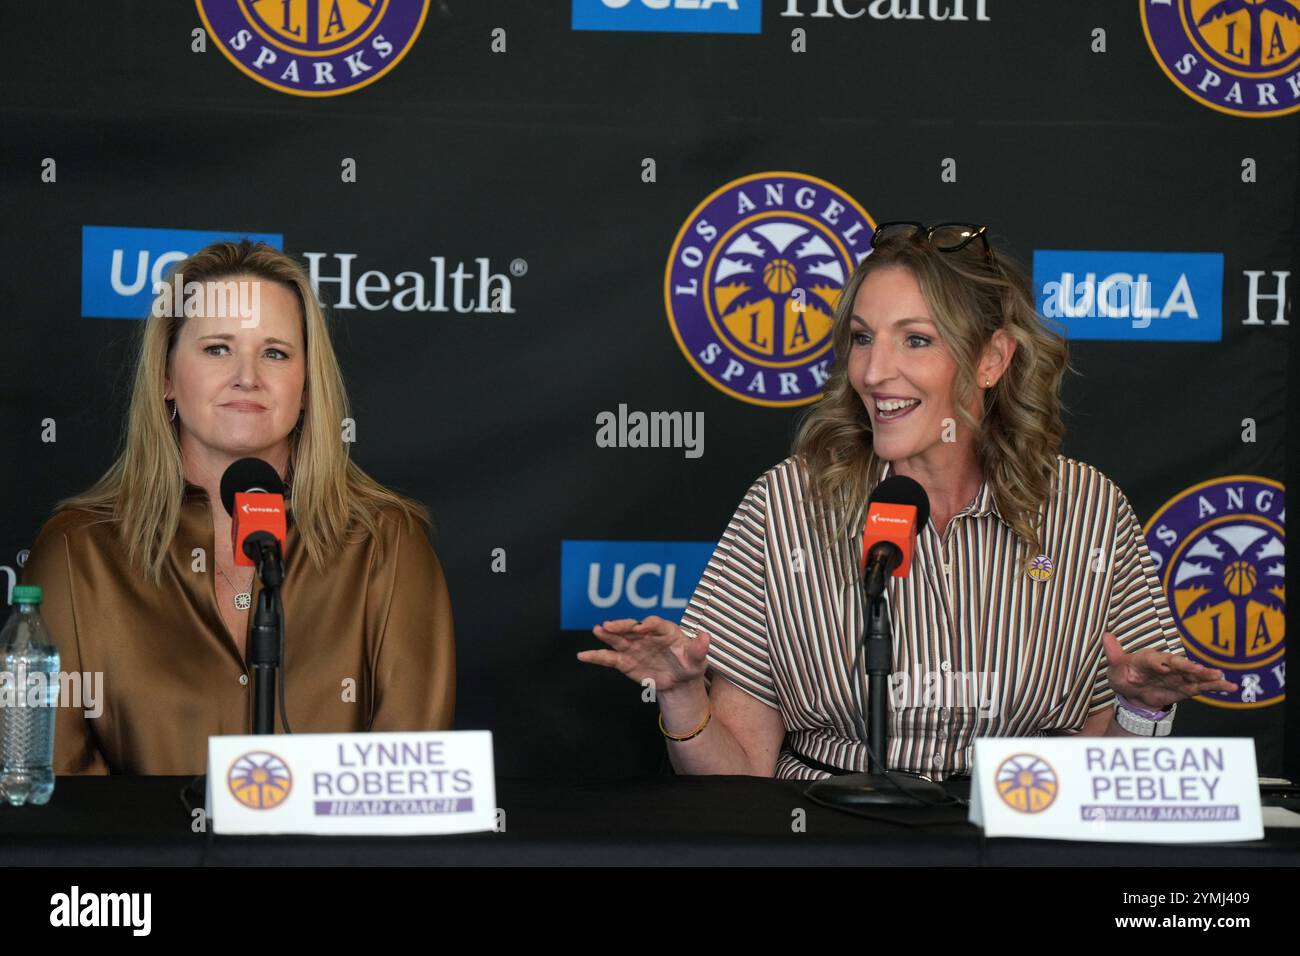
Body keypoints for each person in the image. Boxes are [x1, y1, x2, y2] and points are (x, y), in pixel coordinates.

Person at [578, 222, 1236, 780]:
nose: (872, 372)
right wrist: (684, 696)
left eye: (915, 340)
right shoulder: (786, 504)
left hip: (1018, 840)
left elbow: (1104, 782)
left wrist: (1141, 711)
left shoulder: (1089, 508)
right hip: (833, 841)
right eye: (863, 338)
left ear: (991, 360)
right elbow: (742, 776)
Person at [21, 240, 455, 775]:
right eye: (217, 348)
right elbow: (52, 791)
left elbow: (405, 779)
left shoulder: (387, 544)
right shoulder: (78, 549)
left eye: (274, 352)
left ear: (307, 383)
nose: (247, 376)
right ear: (165, 377)